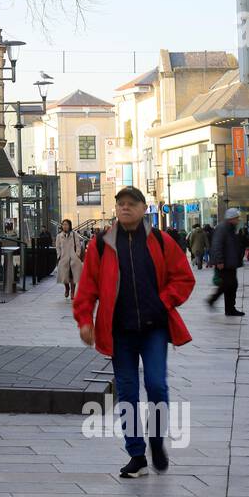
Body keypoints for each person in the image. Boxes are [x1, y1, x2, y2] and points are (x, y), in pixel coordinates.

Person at [74, 185, 195, 479]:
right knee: (127, 392)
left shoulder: (160, 241)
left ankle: (156, 439)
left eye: (131, 204)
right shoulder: (102, 244)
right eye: (120, 204)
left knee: (156, 385)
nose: (125, 208)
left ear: (143, 209)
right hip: (119, 332)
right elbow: (87, 287)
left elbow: (184, 278)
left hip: (154, 328)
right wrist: (84, 320)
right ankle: (137, 454)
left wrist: (163, 301)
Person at [207, 207, 245, 317]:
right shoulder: (222, 228)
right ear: (231, 218)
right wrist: (219, 260)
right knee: (228, 285)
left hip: (231, 262)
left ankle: (229, 308)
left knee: (231, 285)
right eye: (236, 218)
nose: (238, 220)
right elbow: (217, 245)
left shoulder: (231, 228)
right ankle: (220, 304)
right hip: (225, 263)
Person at [55, 219, 85, 300]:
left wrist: (77, 255)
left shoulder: (74, 234)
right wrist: (59, 255)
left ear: (70, 226)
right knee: (65, 276)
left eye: (66, 224)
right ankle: (67, 288)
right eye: (63, 224)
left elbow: (78, 245)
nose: (65, 226)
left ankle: (72, 291)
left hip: (73, 258)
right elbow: (57, 247)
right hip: (64, 257)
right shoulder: (59, 236)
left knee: (73, 276)